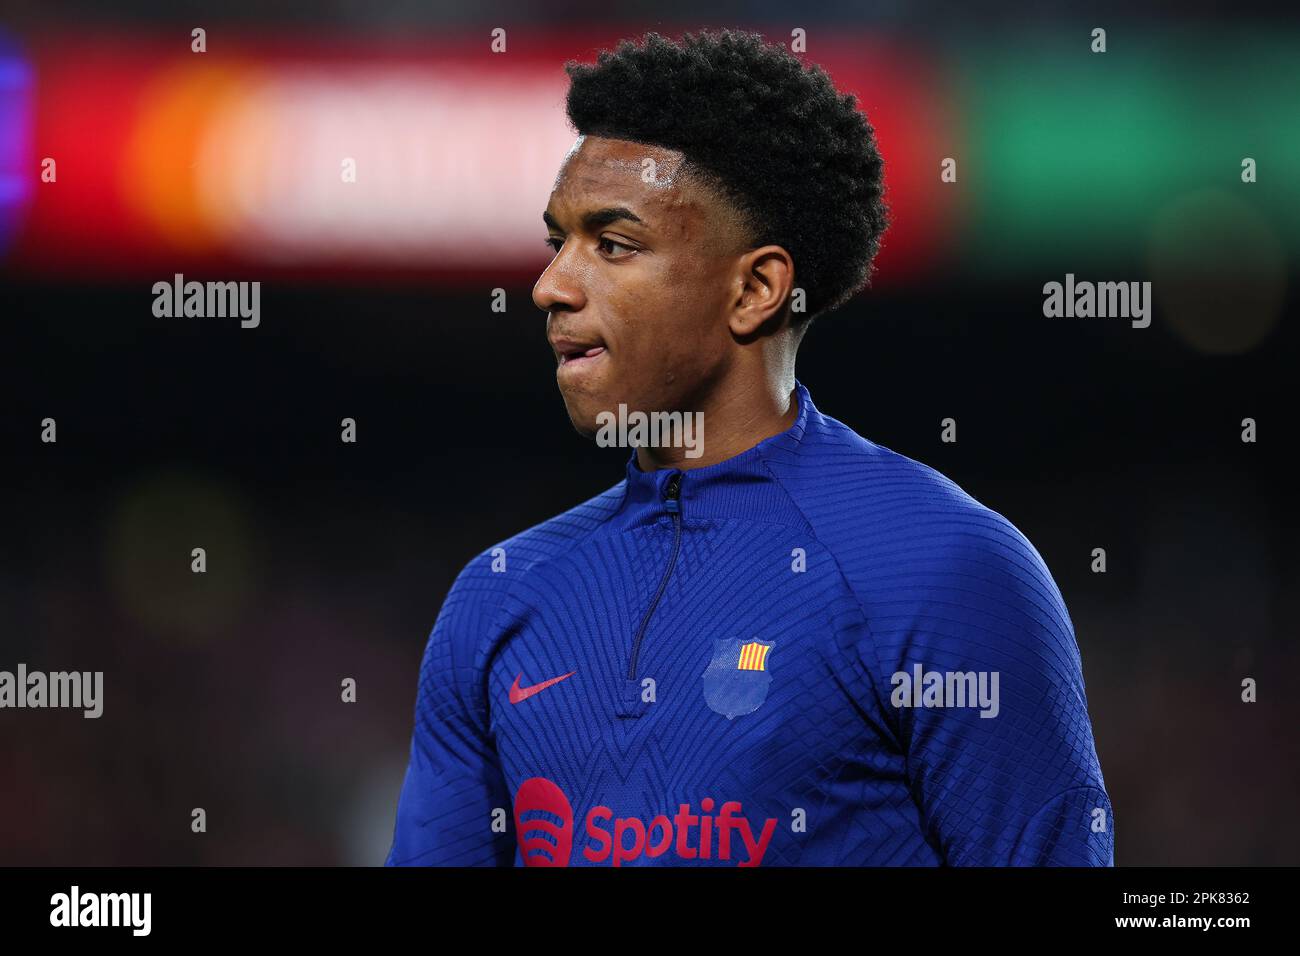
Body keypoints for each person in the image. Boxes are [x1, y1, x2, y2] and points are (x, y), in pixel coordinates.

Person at [386, 29, 1112, 866]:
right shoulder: (496, 598)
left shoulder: (947, 568)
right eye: (560, 242)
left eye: (612, 245)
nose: (551, 286)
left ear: (755, 289)